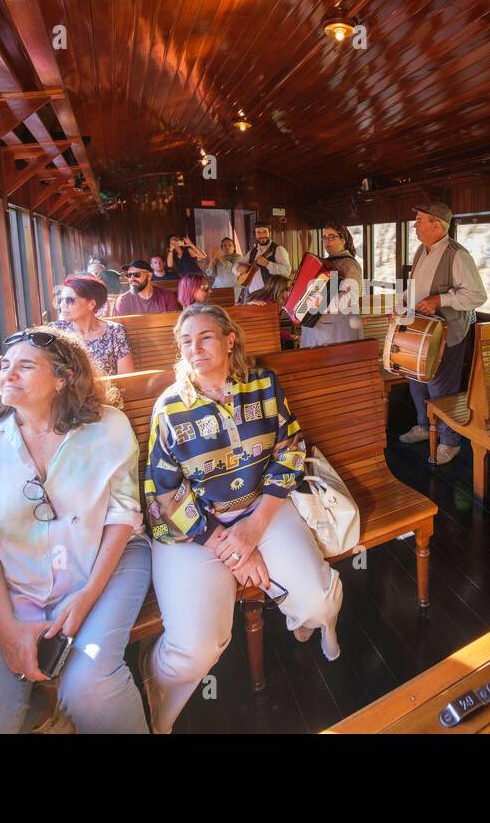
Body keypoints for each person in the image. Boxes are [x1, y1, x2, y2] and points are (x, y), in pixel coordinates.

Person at [0, 326, 151, 733]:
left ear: (62, 378)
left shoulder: (108, 428)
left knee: (90, 690)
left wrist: (86, 598)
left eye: (25, 366)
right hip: (14, 587)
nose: (7, 375)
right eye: (5, 366)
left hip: (104, 565)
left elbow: (122, 516)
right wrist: (6, 630)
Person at [142, 304, 343, 733]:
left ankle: (307, 620)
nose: (194, 348)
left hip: (261, 506)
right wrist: (233, 549)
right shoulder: (171, 407)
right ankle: (157, 685)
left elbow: (290, 450)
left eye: (205, 337)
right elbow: (165, 492)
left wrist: (253, 527)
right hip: (195, 529)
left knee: (317, 598)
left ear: (230, 339)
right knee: (198, 648)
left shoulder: (263, 384)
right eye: (185, 341)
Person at [396, 201, 488, 465]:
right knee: (416, 382)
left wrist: (440, 300)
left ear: (437, 225)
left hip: (447, 333)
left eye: (420, 220)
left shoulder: (457, 255)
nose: (415, 225)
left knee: (441, 389)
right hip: (419, 330)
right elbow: (414, 288)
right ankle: (424, 427)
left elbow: (477, 296)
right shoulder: (420, 252)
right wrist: (401, 304)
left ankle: (450, 442)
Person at [50, 274, 135, 375]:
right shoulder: (57, 331)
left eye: (69, 300)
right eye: (61, 300)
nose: (62, 305)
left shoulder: (115, 332)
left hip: (108, 390)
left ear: (91, 304)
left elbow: (126, 377)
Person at [300, 223, 364, 348]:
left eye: (331, 237)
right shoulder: (325, 263)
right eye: (324, 237)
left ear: (343, 240)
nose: (327, 241)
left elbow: (350, 297)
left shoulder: (349, 264)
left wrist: (321, 304)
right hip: (320, 327)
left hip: (337, 331)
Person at [113, 260, 180, 315]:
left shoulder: (167, 297)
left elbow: (173, 326)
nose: (132, 278)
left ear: (149, 276)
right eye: (129, 275)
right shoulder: (123, 301)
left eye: (136, 274)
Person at [240, 222, 292, 291]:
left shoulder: (278, 249)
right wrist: (238, 268)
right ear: (255, 235)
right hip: (253, 293)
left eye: (264, 231)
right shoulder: (252, 251)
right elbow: (238, 265)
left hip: (271, 294)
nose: (262, 235)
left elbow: (286, 271)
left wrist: (268, 264)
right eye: (258, 232)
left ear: (269, 233)